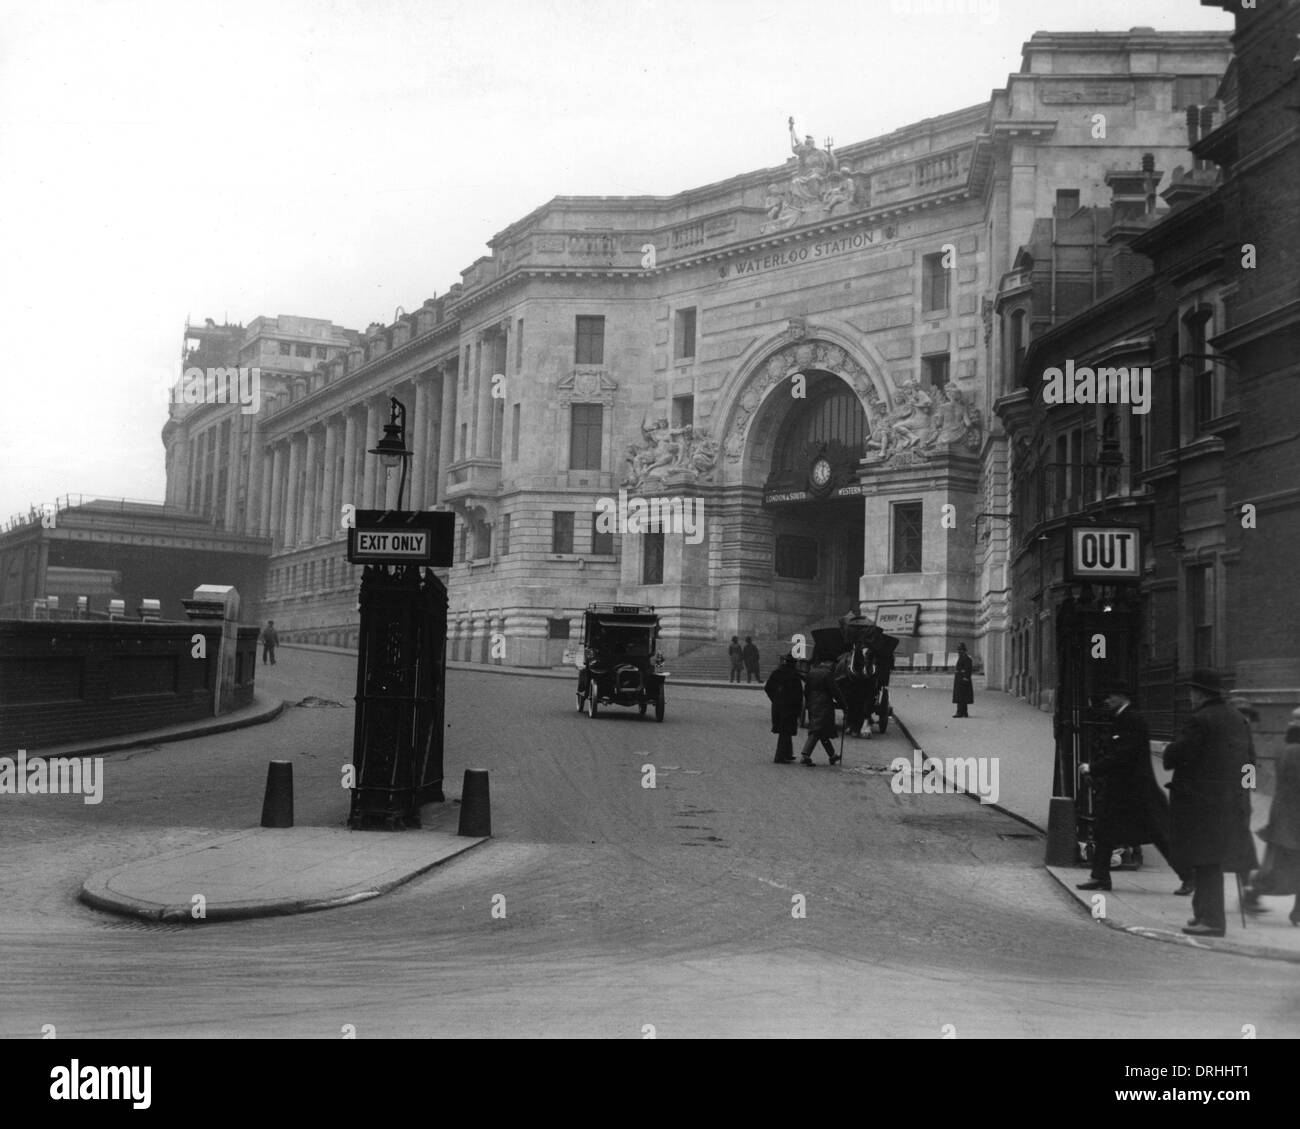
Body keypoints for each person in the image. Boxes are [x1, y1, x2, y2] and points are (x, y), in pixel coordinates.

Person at [1163, 669, 1258, 938]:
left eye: (1192, 691)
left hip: (1201, 803)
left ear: (1200, 693)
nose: (1190, 696)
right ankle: (1201, 914)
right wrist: (1245, 794)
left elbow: (1176, 756)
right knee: (1209, 860)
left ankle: (1212, 921)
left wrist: (1169, 750)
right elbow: (1250, 760)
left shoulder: (1200, 720)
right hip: (1230, 801)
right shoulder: (1239, 719)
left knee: (1205, 861)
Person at [1076, 683, 1194, 895]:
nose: (1107, 701)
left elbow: (1124, 756)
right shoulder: (1121, 718)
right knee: (1104, 831)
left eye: (1110, 696)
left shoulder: (1133, 720)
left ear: (1122, 697)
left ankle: (1189, 876)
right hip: (1122, 790)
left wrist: (1093, 768)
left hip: (1138, 792)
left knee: (1160, 836)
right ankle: (1100, 876)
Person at [1243, 711, 1300, 926]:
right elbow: (1247, 765)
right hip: (1293, 819)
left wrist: (1246, 791)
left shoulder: (1283, 747)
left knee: (1280, 866)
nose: (1246, 721)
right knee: (1279, 867)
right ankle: (1254, 893)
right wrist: (1246, 791)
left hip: (1284, 816)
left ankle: (1255, 893)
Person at [799, 657, 840, 766]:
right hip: (824, 704)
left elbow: (806, 690)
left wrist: (809, 702)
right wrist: (844, 704)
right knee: (817, 730)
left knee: (823, 732)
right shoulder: (828, 674)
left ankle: (832, 756)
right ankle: (805, 755)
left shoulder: (812, 672)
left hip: (813, 703)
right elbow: (835, 691)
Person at [765, 654, 804, 764]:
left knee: (785, 730)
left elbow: (767, 688)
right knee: (785, 731)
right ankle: (779, 756)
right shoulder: (794, 675)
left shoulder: (777, 672)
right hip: (790, 707)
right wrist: (798, 709)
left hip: (778, 706)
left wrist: (775, 699)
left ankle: (788, 753)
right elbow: (799, 694)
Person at [952, 642, 973, 718]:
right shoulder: (962, 658)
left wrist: (965, 677)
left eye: (960, 650)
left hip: (963, 680)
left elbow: (968, 670)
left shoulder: (966, 658)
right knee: (962, 697)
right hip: (960, 679)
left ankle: (960, 712)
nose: (959, 651)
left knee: (961, 697)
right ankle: (964, 712)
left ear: (963, 650)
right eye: (959, 650)